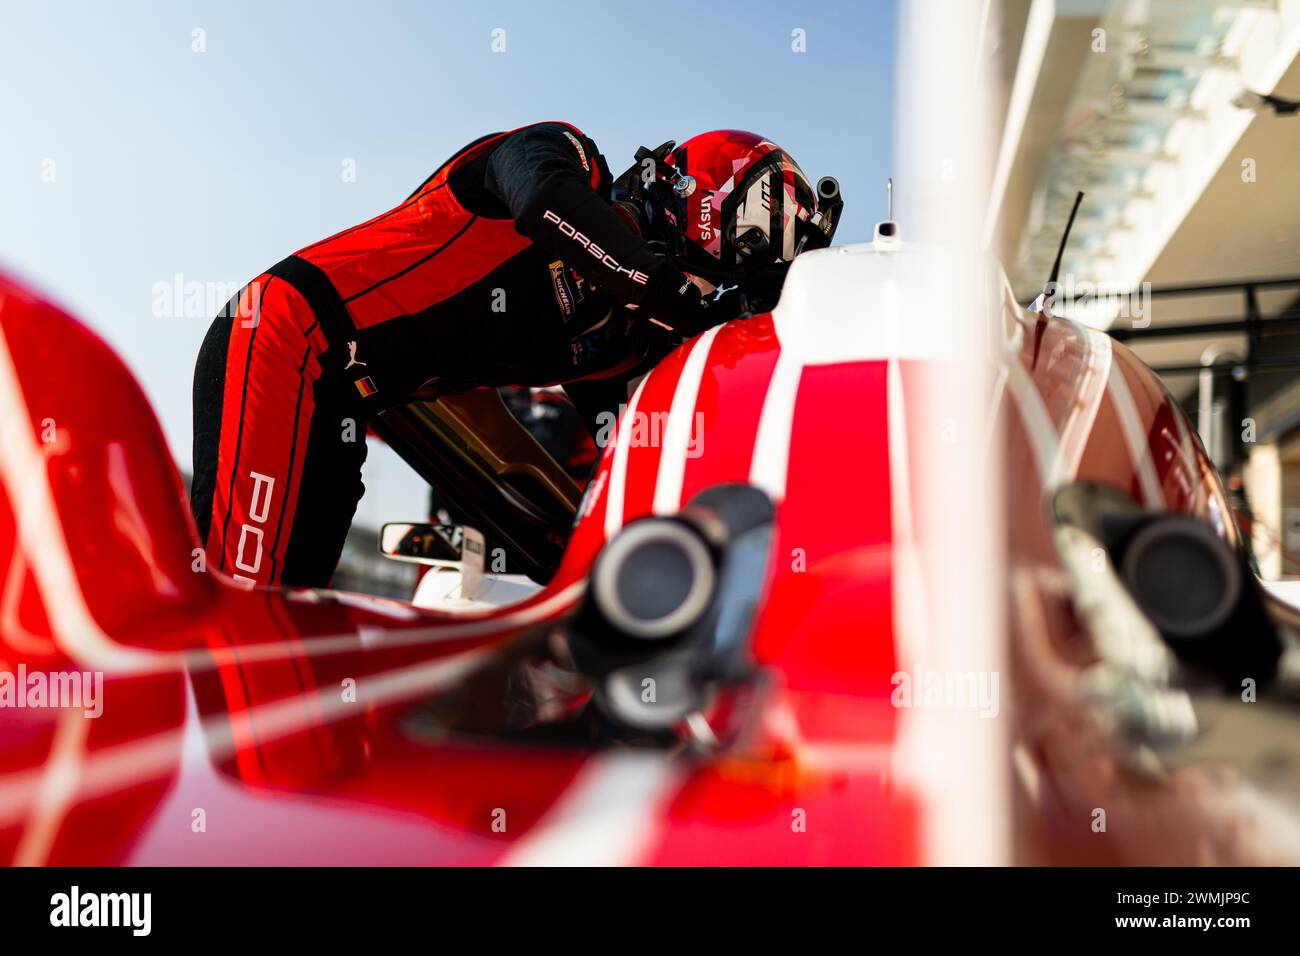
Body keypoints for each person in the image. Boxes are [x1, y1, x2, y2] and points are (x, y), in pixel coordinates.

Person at [190, 123, 839, 588]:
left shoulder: (619, 339)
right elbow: (543, 204)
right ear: (703, 192)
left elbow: (652, 462)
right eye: (766, 217)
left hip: (343, 406)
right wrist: (678, 303)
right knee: (241, 623)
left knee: (292, 620)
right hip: (284, 337)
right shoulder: (563, 154)